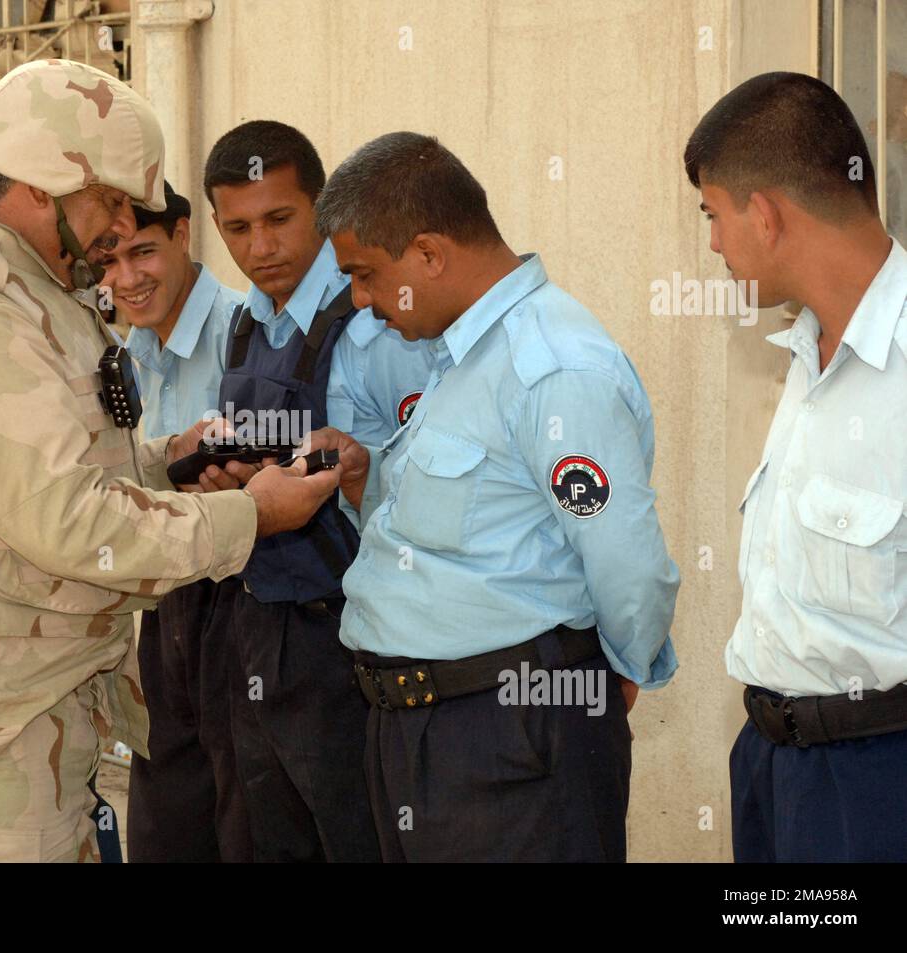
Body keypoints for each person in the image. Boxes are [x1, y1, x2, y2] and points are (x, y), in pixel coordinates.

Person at [0, 59, 339, 863]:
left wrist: (165, 459)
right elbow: (67, 520)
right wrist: (254, 514)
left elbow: (37, 478)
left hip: (16, 711)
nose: (115, 229)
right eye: (105, 201)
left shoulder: (17, 297)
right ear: (42, 186)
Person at [309, 131, 679, 861]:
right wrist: (366, 476)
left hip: (509, 738)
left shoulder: (552, 366)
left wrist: (610, 681)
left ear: (429, 254)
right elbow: (479, 516)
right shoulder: (459, 352)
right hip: (420, 736)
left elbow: (628, 562)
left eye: (365, 274)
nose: (359, 300)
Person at [685, 72, 907, 862]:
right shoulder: (806, 353)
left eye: (713, 215)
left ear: (765, 215)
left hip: (878, 784)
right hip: (774, 769)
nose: (712, 243)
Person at [199, 121, 432, 862]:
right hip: (256, 619)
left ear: (321, 208)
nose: (260, 247)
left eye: (278, 219)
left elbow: (427, 491)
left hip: (346, 638)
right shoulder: (244, 325)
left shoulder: (378, 329)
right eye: (237, 228)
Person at [95, 181, 251, 861]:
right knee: (163, 825)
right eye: (110, 260)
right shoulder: (124, 353)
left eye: (144, 253)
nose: (127, 278)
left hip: (241, 602)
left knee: (243, 822)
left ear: (185, 234)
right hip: (163, 607)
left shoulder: (247, 334)